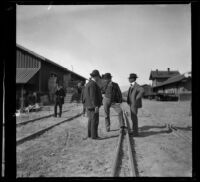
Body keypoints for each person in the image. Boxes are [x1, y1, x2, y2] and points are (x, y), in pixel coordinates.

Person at [84, 70, 102, 139]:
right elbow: (93, 96)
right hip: (93, 106)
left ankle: (90, 134)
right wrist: (96, 106)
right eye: (98, 77)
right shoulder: (93, 84)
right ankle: (94, 136)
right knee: (95, 120)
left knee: (90, 120)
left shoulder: (88, 83)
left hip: (89, 105)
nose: (99, 78)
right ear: (96, 77)